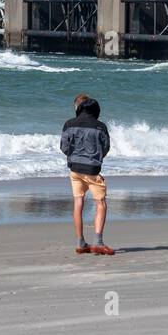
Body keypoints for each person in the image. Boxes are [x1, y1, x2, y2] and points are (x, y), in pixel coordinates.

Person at [60, 93, 113, 255]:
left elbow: (64, 147)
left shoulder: (69, 124)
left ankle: (80, 242)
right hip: (92, 170)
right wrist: (97, 159)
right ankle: (98, 242)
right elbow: (106, 148)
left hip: (75, 168)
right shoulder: (100, 126)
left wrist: (73, 156)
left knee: (78, 203)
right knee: (101, 203)